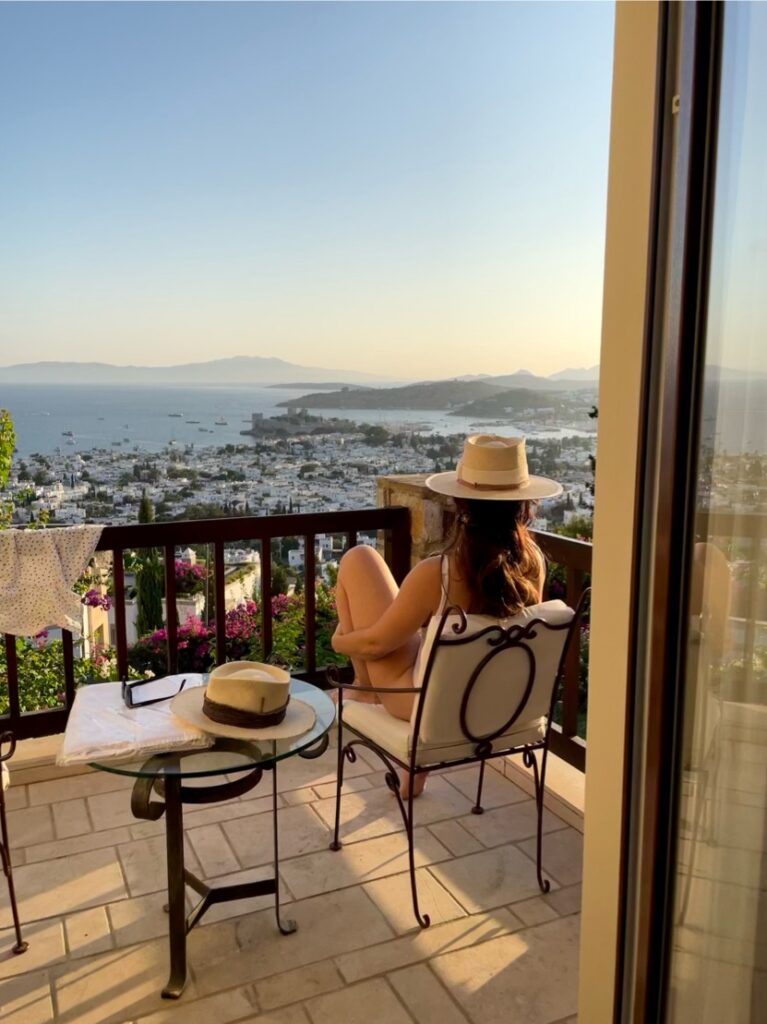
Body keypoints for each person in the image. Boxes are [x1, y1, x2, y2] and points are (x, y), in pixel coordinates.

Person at [331, 434, 562, 797]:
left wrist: (339, 640)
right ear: (525, 504)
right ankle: (413, 764)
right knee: (442, 640)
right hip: (493, 701)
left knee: (359, 559)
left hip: (425, 703)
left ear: (461, 503)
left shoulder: (438, 573)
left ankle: (363, 690)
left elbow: (376, 643)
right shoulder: (534, 564)